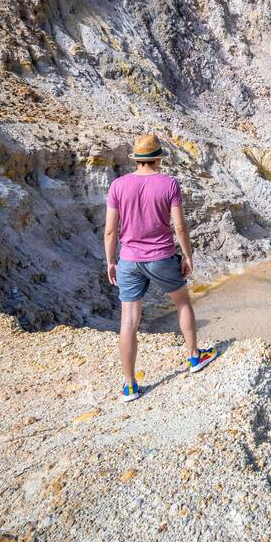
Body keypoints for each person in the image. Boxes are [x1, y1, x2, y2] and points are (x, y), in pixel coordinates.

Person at [104, 132, 216, 399]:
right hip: (161, 257)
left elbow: (110, 231)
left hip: (129, 260)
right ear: (158, 159)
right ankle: (193, 357)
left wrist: (110, 261)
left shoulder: (118, 185)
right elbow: (179, 225)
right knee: (182, 302)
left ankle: (130, 385)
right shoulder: (169, 184)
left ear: (137, 159)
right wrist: (187, 256)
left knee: (129, 321)